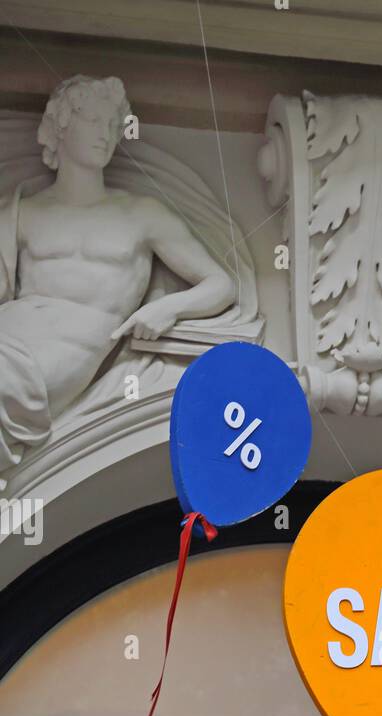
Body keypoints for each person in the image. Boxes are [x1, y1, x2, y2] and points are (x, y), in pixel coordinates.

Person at [0, 75, 236, 471]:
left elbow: (221, 284)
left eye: (112, 124)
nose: (105, 134)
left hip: (52, 361)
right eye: (93, 120)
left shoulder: (140, 215)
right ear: (61, 126)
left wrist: (169, 308)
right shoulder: (24, 212)